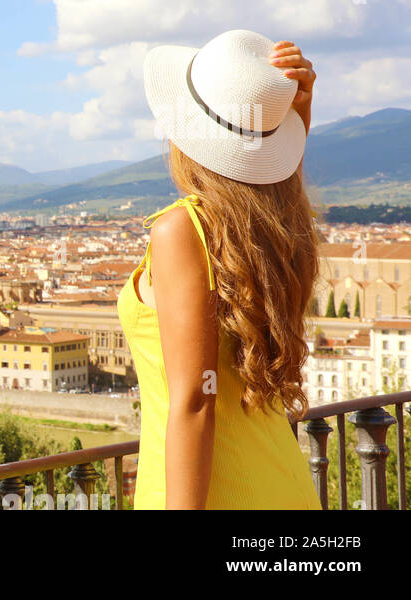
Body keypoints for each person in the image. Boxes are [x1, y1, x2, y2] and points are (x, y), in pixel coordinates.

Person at [119, 29, 321, 509]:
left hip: (214, 493)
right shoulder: (277, 227)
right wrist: (290, 116)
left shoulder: (182, 230)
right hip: (283, 484)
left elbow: (195, 400)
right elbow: (269, 181)